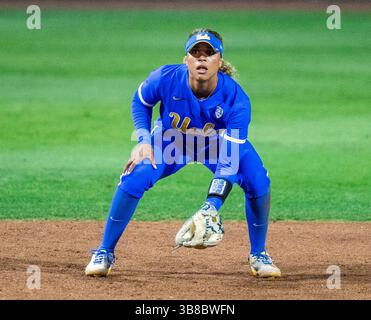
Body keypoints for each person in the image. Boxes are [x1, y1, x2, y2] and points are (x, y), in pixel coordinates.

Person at [85, 28, 281, 279]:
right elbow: (141, 101)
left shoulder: (236, 100)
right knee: (136, 173)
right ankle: (104, 252)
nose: (201, 58)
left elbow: (229, 161)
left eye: (209, 53)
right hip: (171, 141)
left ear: (219, 61)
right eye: (195, 52)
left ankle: (259, 254)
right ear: (185, 59)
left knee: (258, 181)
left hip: (217, 145)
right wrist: (143, 140)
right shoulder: (165, 78)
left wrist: (212, 205)